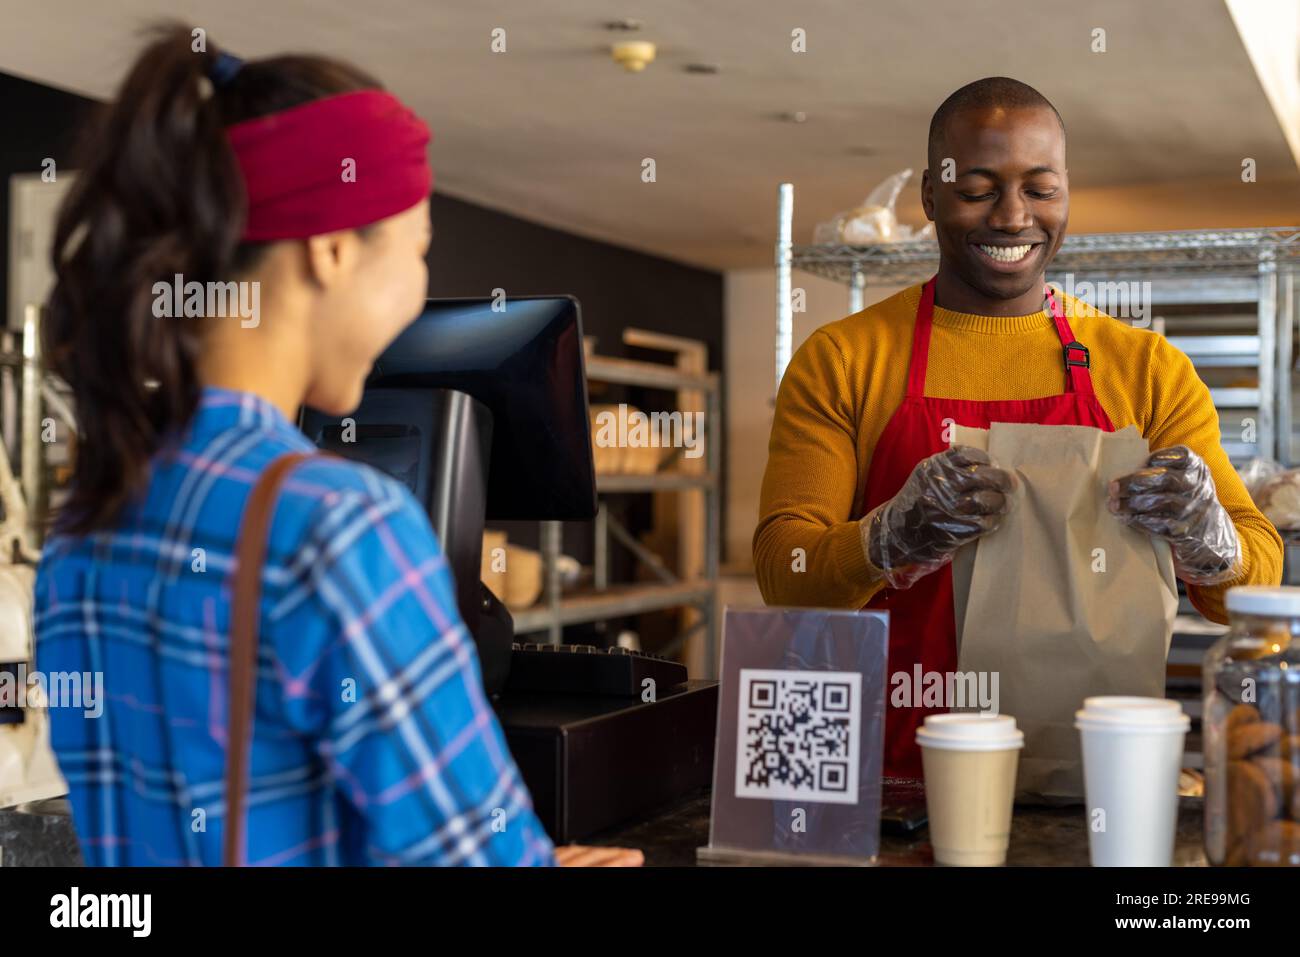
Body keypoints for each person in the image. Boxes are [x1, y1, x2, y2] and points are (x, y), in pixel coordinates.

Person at [34, 24, 639, 867]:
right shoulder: (339, 525)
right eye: (417, 250)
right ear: (330, 249)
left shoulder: (83, 523)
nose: (420, 290)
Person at [754, 76, 1283, 778]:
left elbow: (1255, 575)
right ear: (931, 196)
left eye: (1041, 189)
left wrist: (1205, 536)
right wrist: (885, 538)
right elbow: (784, 572)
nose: (1012, 217)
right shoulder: (845, 358)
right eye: (977, 190)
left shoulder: (1146, 368)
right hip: (892, 781)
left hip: (1092, 774)